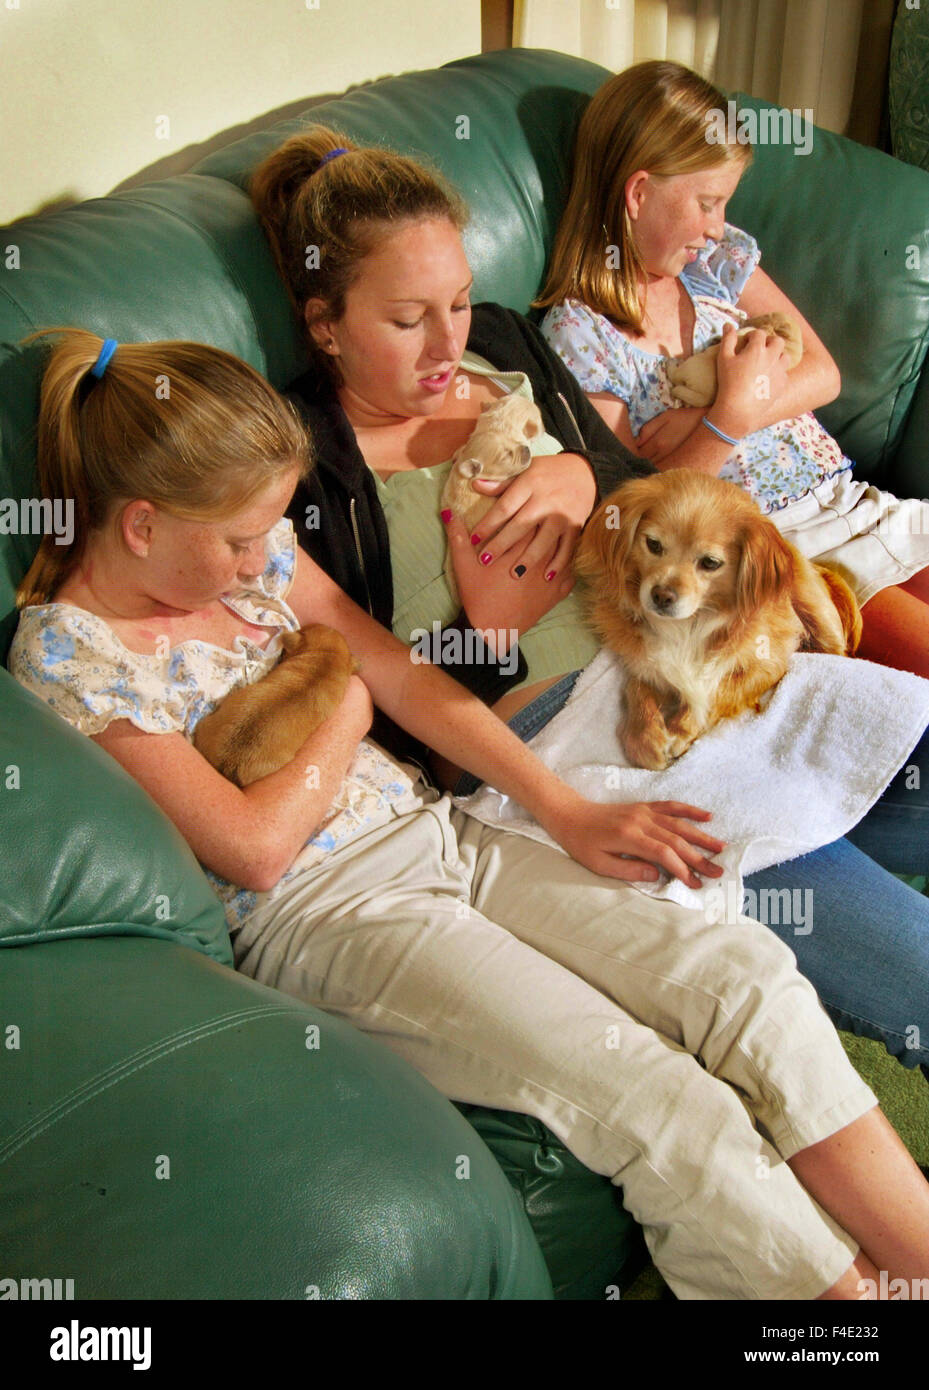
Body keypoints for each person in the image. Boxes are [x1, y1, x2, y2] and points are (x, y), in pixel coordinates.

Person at [9, 329, 929, 1301]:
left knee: (741, 977)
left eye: (265, 534)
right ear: (142, 526)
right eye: (239, 542)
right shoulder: (72, 658)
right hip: (329, 914)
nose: (257, 562)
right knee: (653, 1096)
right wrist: (346, 712)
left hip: (443, 832)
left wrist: (562, 810)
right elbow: (258, 846)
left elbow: (402, 675)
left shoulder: (263, 557)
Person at [249, 126, 929, 1087]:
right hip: (585, 744)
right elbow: (402, 730)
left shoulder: (501, 340)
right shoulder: (304, 470)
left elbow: (635, 484)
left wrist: (576, 477)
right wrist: (488, 636)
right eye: (408, 320)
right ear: (324, 323)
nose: (449, 341)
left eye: (454, 299)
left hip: (710, 663)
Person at [535, 59, 929, 679]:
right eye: (708, 202)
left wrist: (732, 409)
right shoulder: (581, 334)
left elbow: (822, 372)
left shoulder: (712, 264)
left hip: (853, 499)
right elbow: (635, 510)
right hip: (789, 550)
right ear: (638, 193)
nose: (718, 225)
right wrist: (723, 422)